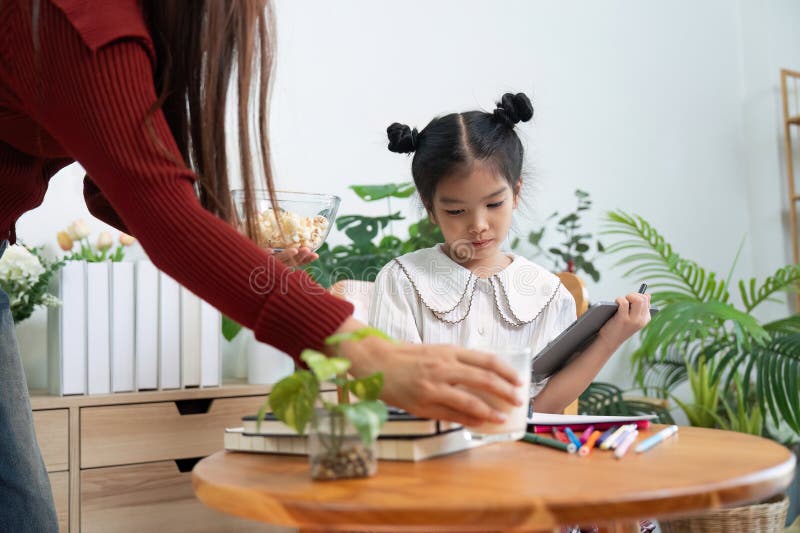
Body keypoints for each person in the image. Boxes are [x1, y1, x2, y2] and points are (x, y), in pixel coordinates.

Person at [0, 1, 522, 530]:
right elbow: (161, 213)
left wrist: (241, 245)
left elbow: (115, 185)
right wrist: (365, 351)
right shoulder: (84, 18)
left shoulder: (125, 32)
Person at [370, 92, 651, 414]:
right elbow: (395, 393)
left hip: (518, 457)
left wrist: (610, 339)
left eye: (494, 204)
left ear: (515, 193)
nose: (478, 225)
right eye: (457, 211)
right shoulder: (403, 280)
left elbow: (543, 408)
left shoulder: (547, 293)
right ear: (430, 209)